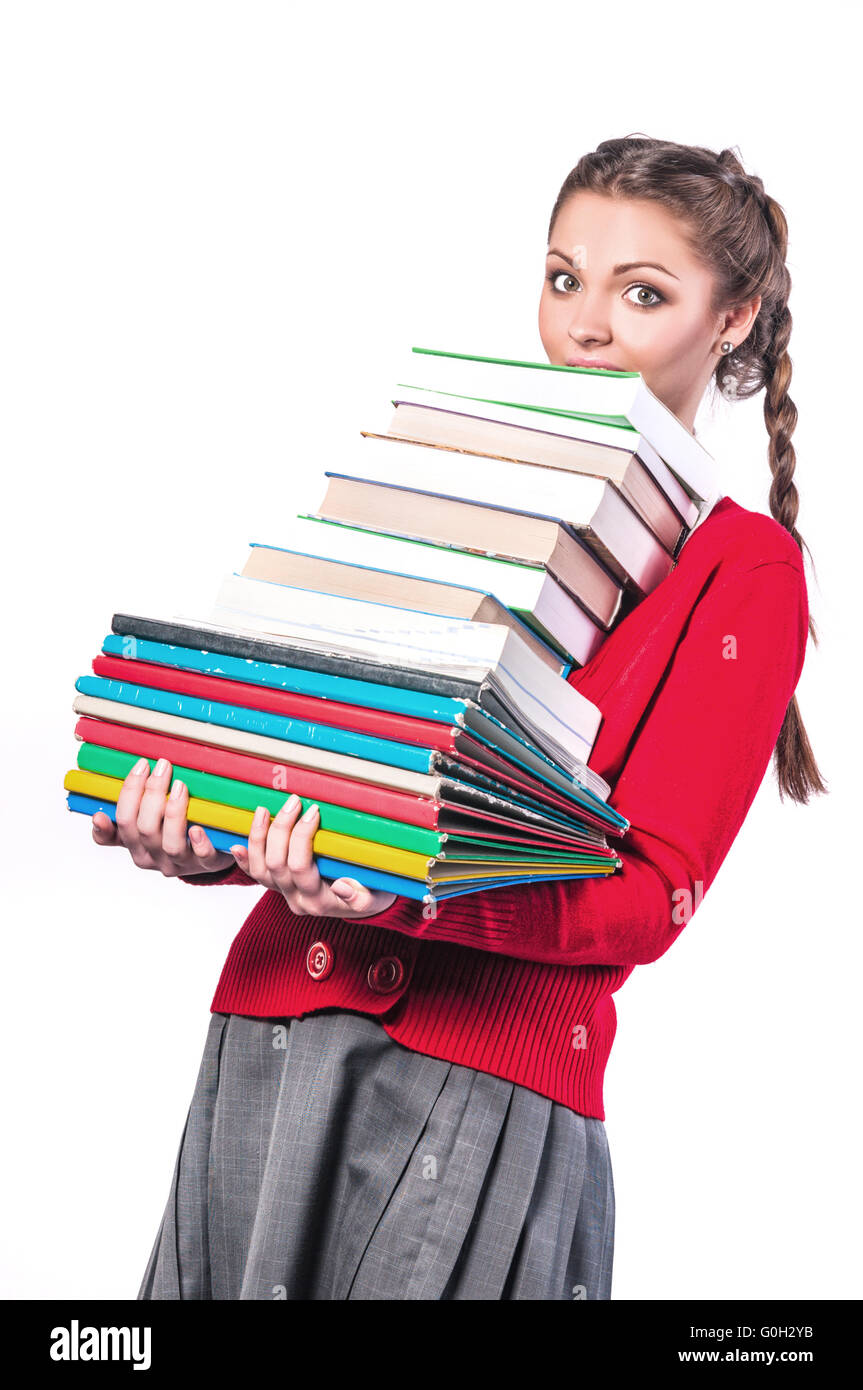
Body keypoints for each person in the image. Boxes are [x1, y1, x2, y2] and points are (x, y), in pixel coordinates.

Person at [91, 135, 827, 1301]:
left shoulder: (741, 569)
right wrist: (210, 835)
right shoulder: (454, 469)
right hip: (271, 1033)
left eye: (642, 293)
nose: (584, 325)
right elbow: (338, 761)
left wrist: (409, 891)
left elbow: (648, 896)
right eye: (562, 277)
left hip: (473, 1084)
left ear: (729, 319)